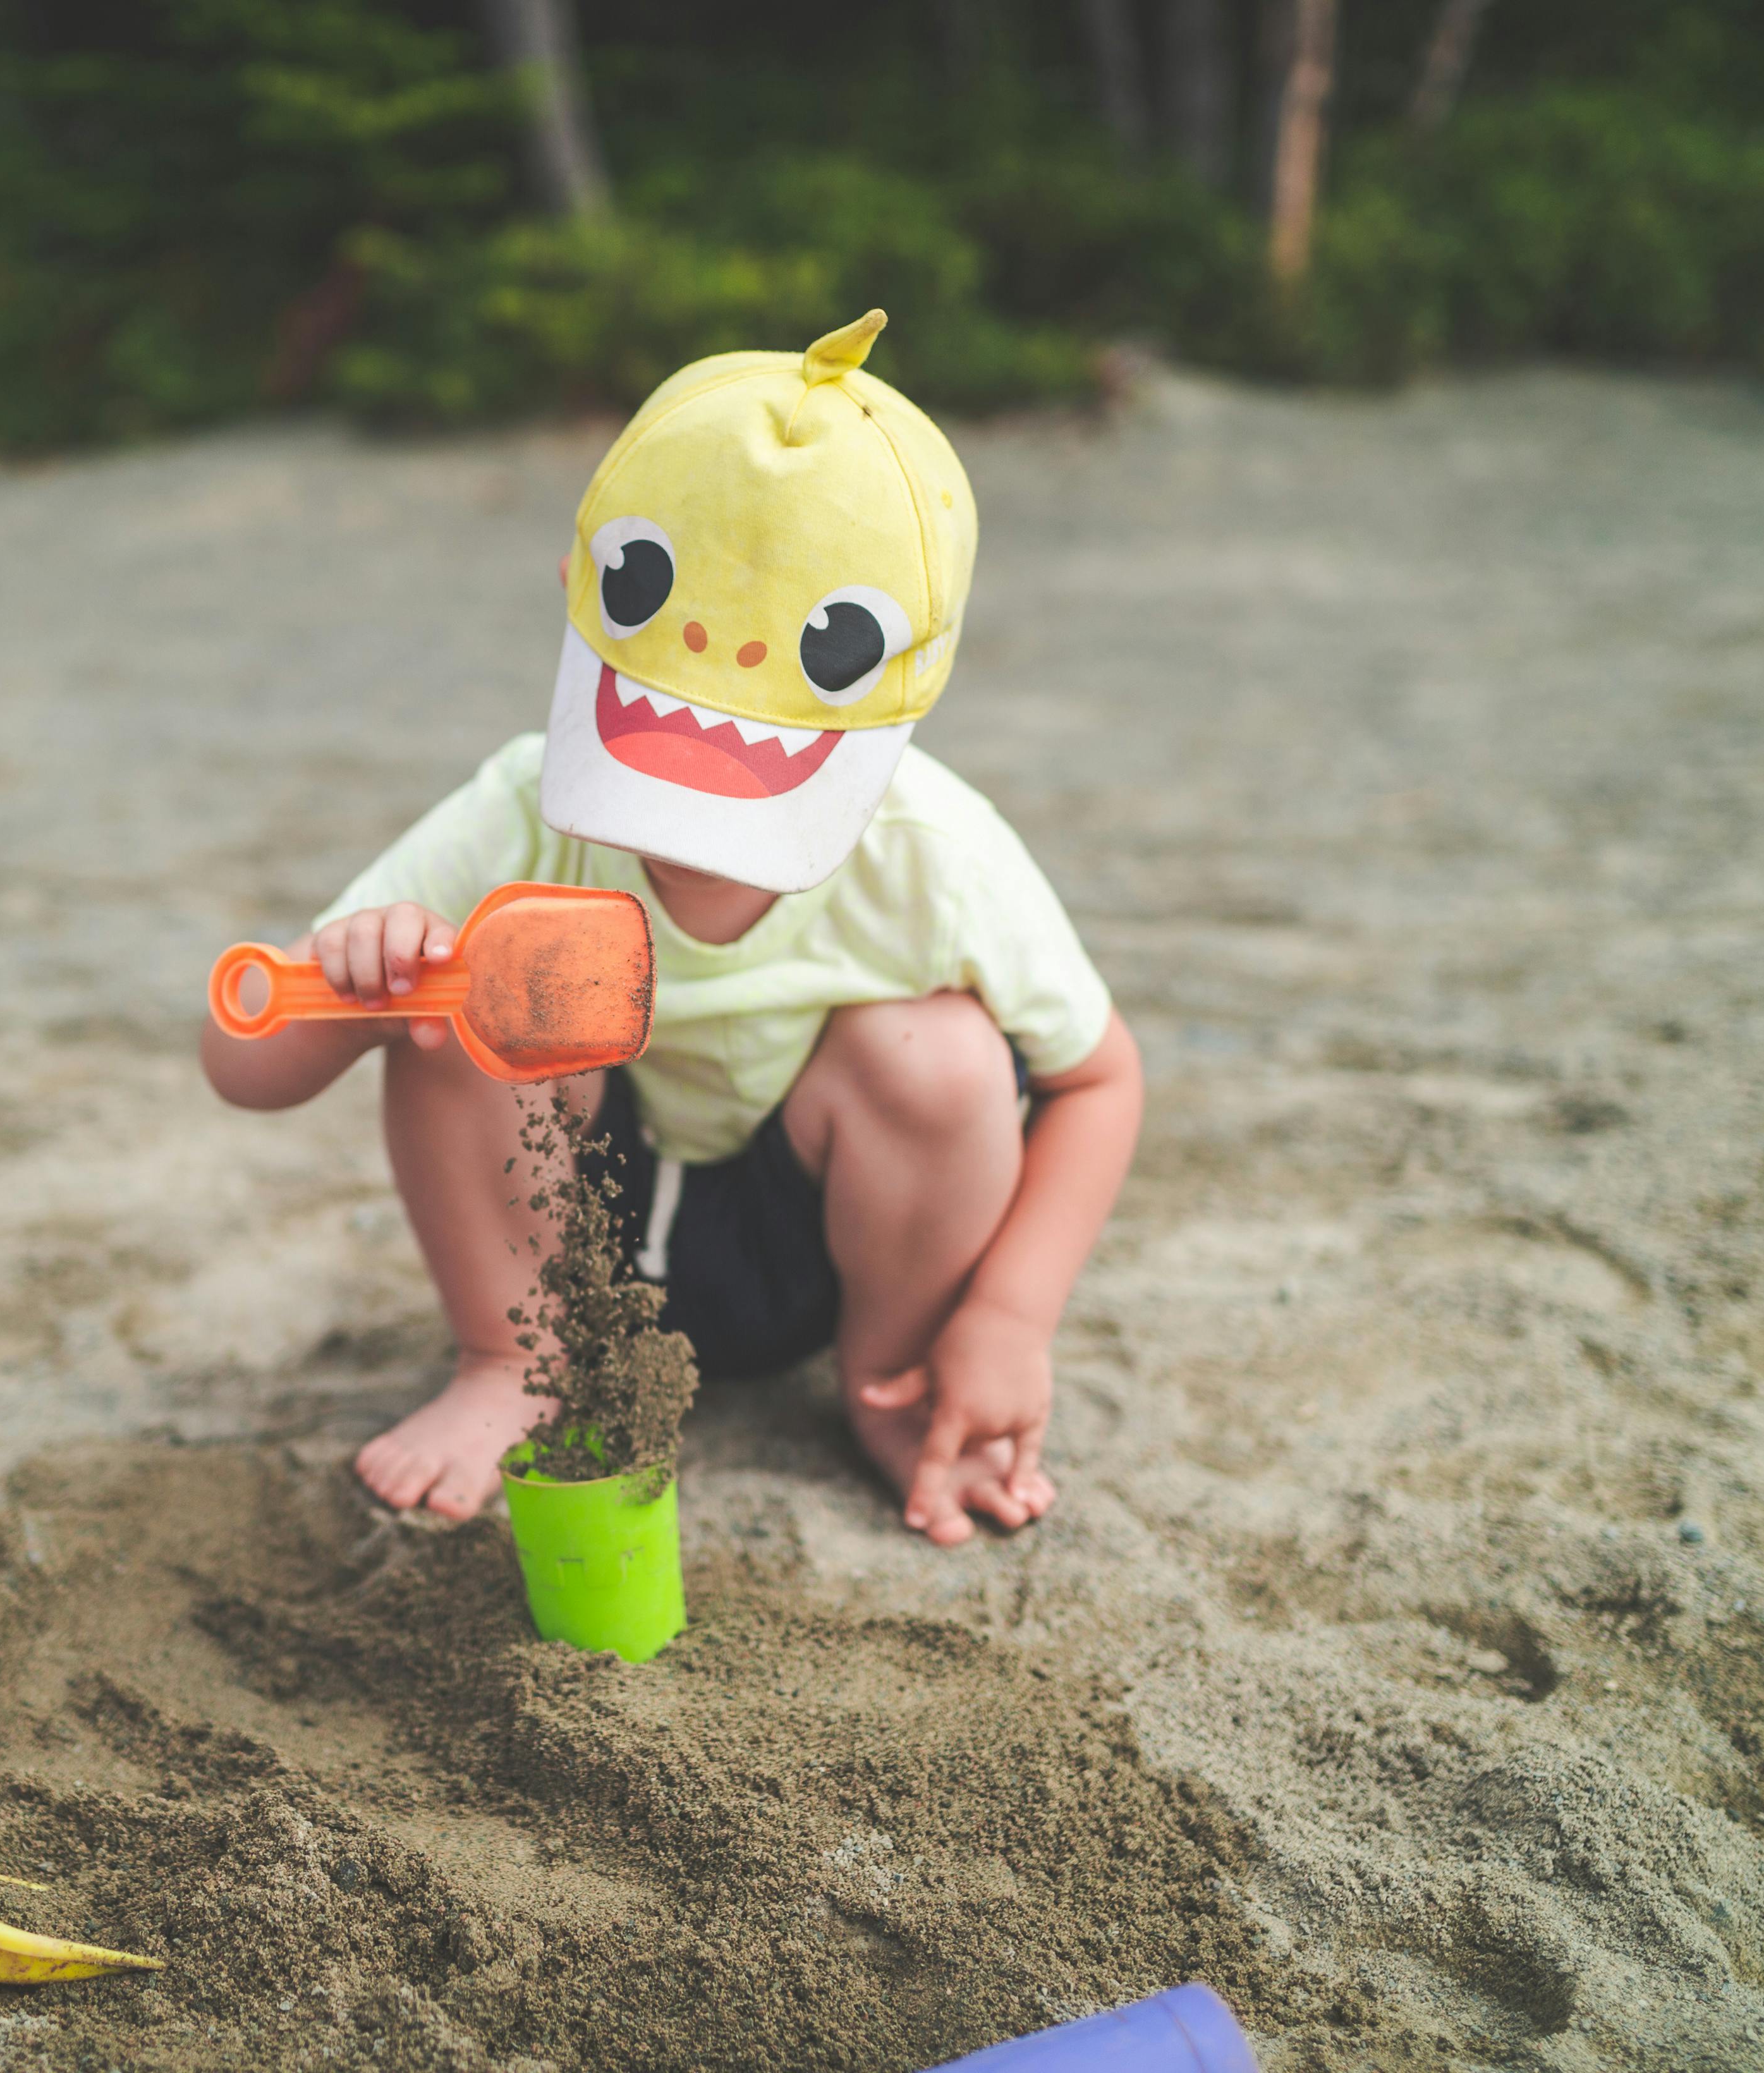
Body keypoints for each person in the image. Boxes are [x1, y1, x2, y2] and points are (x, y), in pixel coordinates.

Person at [199, 311, 1143, 1547]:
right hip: (573, 1252)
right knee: (462, 998)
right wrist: (365, 986)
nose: (690, 849)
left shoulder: (936, 855)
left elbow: (1101, 1078)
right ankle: (511, 1361)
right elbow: (245, 1067)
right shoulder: (520, 808)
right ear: (577, 604)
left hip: (824, 1250)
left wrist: (1010, 1319)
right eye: (657, 795)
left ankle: (893, 1387)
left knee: (946, 1050)